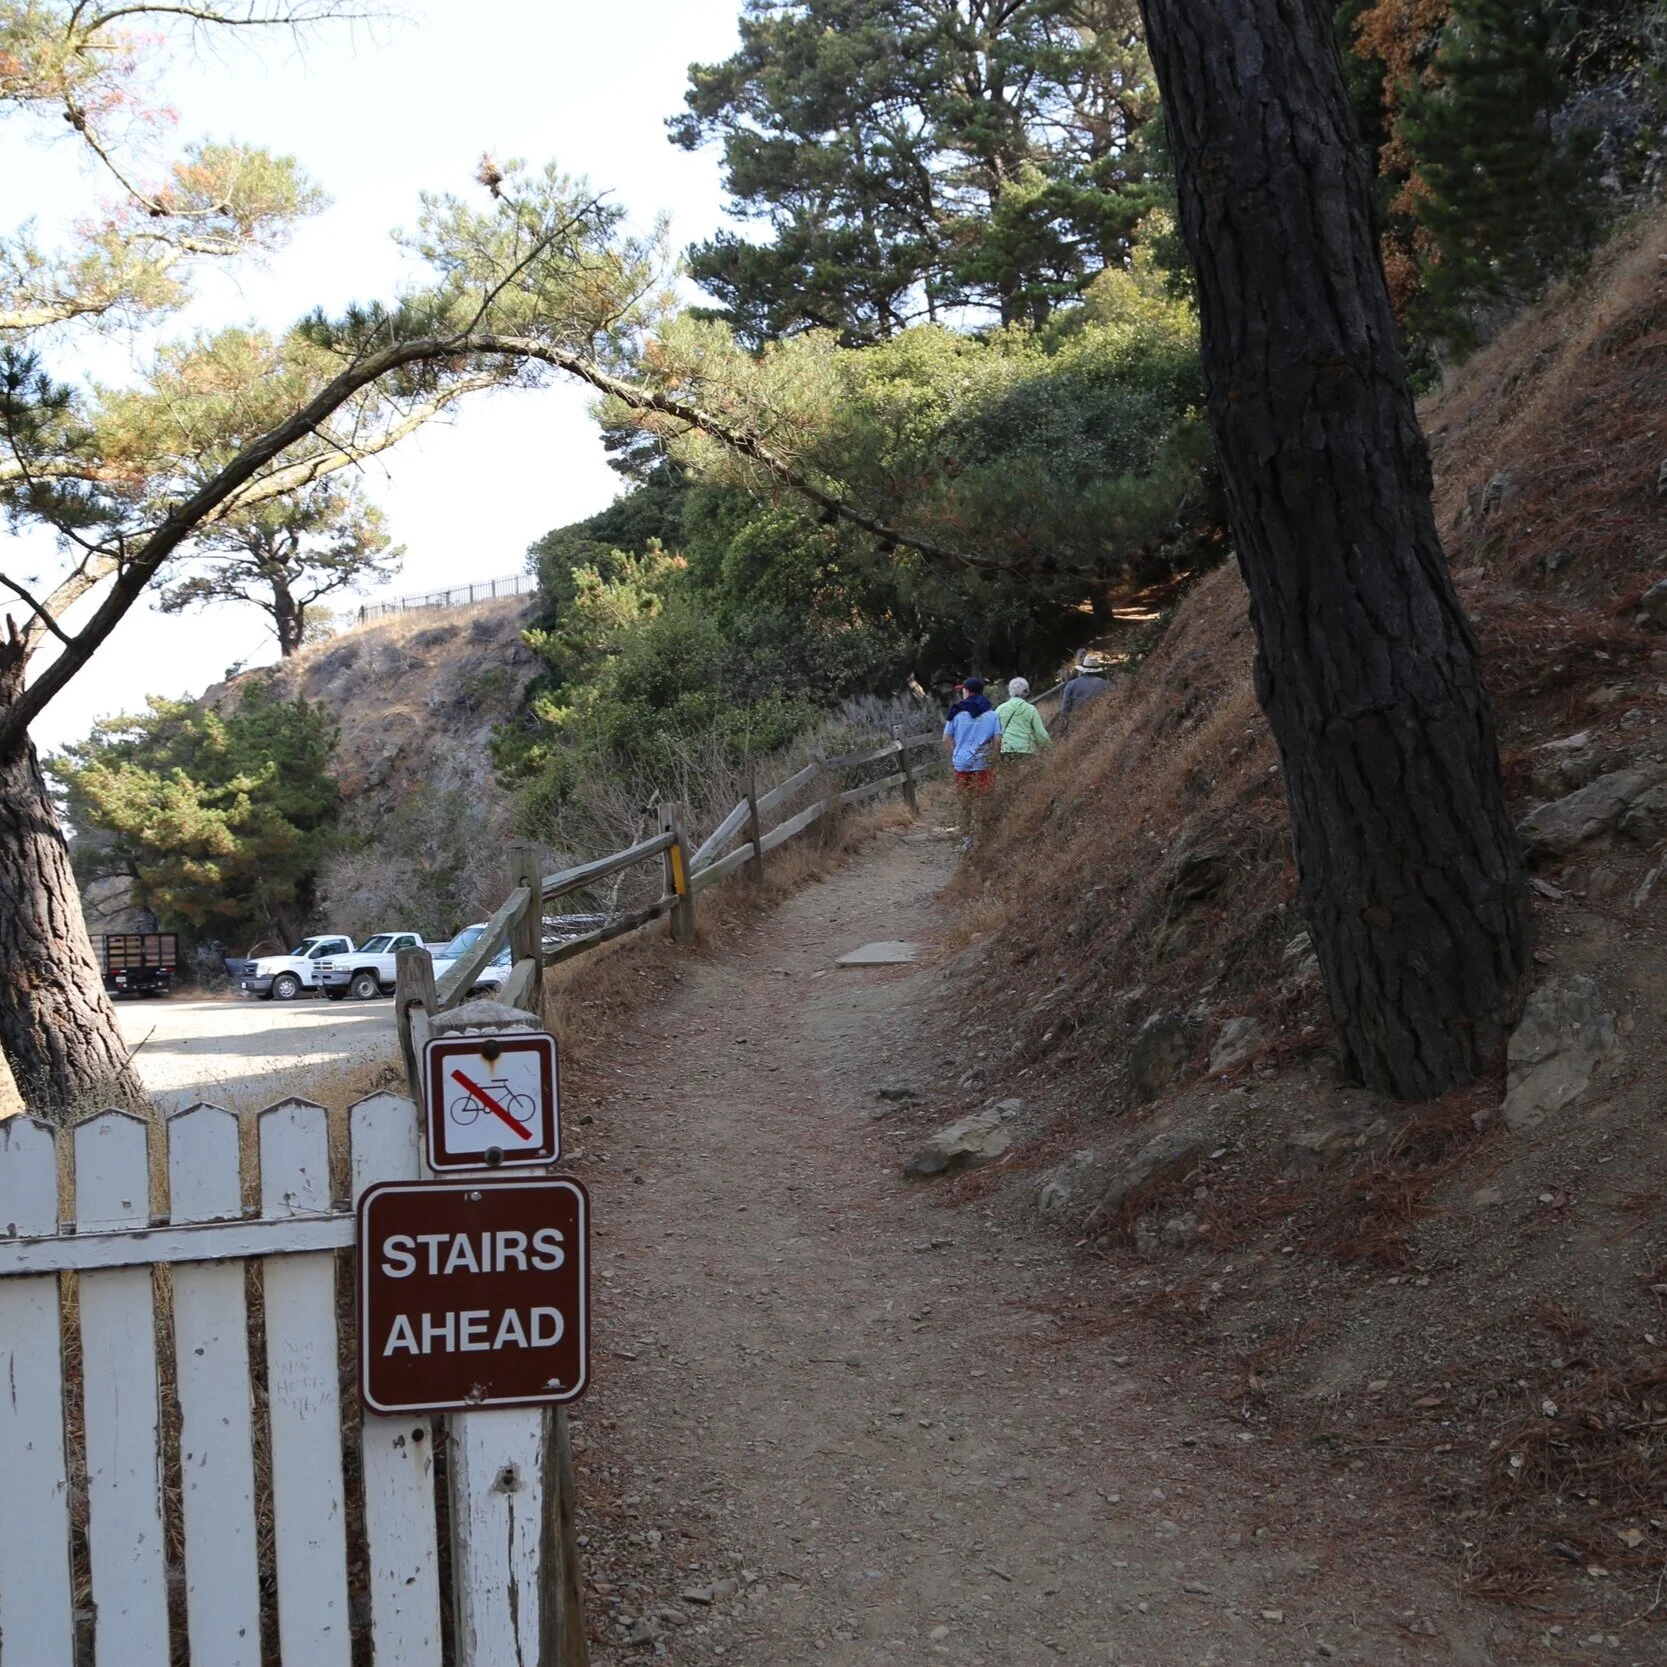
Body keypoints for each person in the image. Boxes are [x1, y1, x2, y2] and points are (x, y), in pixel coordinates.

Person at [942, 675, 1002, 846]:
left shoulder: (956, 713)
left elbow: (945, 738)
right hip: (983, 763)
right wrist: (995, 758)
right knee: (985, 798)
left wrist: (955, 754)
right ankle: (986, 836)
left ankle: (966, 838)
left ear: (967, 692)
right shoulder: (991, 714)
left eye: (963, 690)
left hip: (962, 763)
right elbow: (997, 739)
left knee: (965, 801)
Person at [996, 675, 1050, 758]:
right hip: (1027, 750)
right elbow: (1040, 732)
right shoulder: (1031, 709)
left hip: (1006, 750)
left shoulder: (1000, 708)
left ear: (1010, 690)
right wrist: (1049, 748)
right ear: (1026, 692)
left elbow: (995, 732)